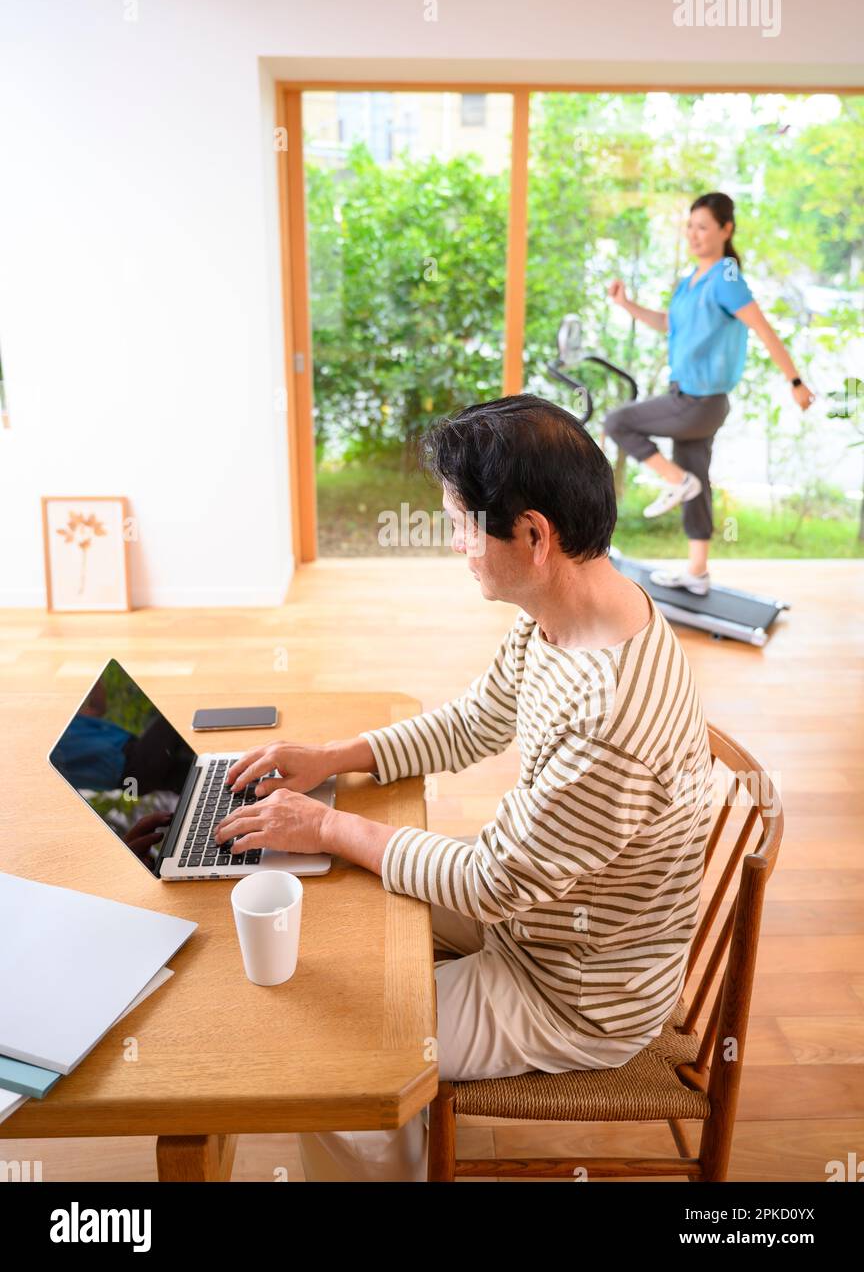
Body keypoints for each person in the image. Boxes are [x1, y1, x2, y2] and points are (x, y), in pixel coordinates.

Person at [212, 395, 717, 1182]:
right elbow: (478, 720)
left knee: (347, 1063)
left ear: (533, 536)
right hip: (540, 917)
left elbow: (489, 884)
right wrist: (334, 758)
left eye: (459, 525)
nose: (455, 545)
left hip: (574, 991)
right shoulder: (567, 613)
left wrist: (330, 828)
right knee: (350, 902)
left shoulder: (610, 726)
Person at [604, 191, 815, 595]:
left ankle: (676, 481)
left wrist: (795, 381)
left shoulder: (727, 278)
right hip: (691, 399)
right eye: (690, 226)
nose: (694, 234)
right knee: (697, 477)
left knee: (618, 421)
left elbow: (762, 327)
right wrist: (627, 304)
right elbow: (669, 323)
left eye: (703, 226)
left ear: (726, 229)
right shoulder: (691, 281)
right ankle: (697, 571)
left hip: (699, 402)